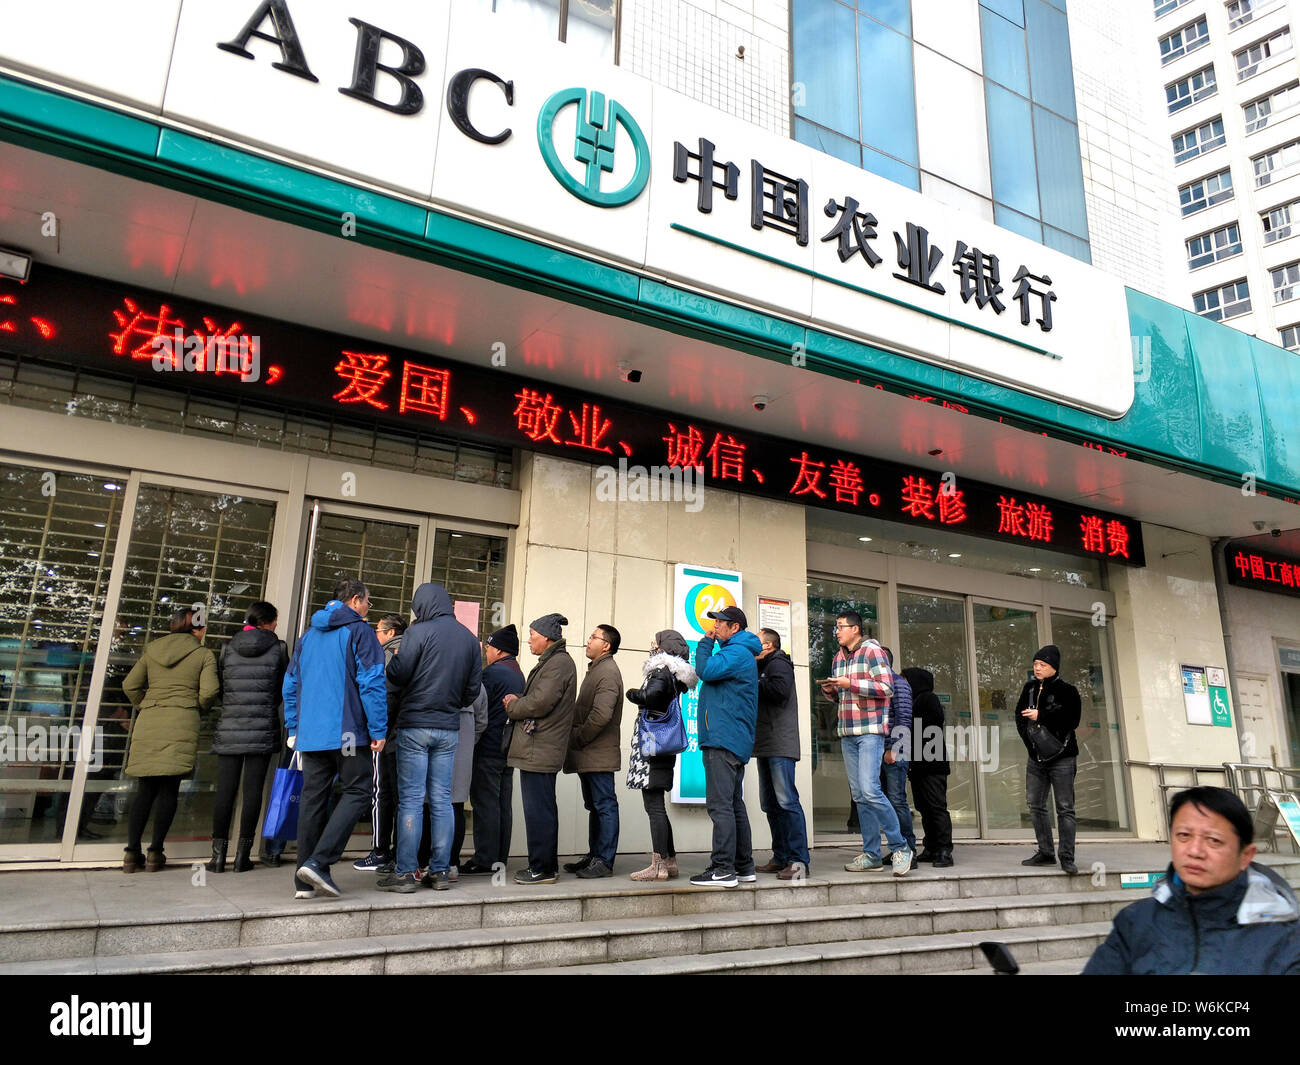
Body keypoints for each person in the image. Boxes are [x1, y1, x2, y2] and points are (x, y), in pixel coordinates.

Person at [1083, 787, 1300, 974]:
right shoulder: (1136, 922)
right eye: (1184, 836)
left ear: (1245, 856)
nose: (1195, 851)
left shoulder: (1286, 936)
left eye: (1213, 840)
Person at [282, 578, 387, 899]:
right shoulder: (360, 632)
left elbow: (291, 683)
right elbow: (371, 682)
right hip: (348, 731)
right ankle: (319, 861)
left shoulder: (309, 636)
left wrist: (294, 727)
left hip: (311, 734)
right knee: (358, 791)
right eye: (368, 602)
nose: (369, 608)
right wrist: (378, 728)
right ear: (355, 600)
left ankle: (304, 882)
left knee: (314, 800)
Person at [379, 582, 482, 893]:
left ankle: (406, 872)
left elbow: (396, 674)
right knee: (442, 801)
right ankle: (439, 871)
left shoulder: (417, 633)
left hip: (414, 726)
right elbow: (472, 691)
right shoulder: (468, 639)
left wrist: (397, 657)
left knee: (410, 801)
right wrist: (450, 705)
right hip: (448, 728)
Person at [121, 607, 219, 873]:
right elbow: (210, 691)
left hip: (150, 720)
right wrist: (192, 705)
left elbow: (130, 685)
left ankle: (131, 853)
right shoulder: (203, 654)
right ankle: (155, 853)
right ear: (197, 629)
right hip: (182, 721)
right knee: (169, 790)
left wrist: (148, 704)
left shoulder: (152, 650)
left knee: (145, 789)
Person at [820, 611, 911, 877]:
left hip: (871, 731)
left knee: (871, 790)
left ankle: (900, 847)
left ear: (856, 629)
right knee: (860, 796)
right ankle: (871, 854)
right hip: (847, 731)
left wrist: (851, 683)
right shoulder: (839, 657)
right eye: (836, 627)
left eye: (841, 627)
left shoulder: (873, 652)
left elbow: (886, 688)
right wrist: (832, 691)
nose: (836, 631)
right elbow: (844, 694)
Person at [208, 601, 287, 873]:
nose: (277, 625)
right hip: (262, 726)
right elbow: (280, 689)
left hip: (230, 725)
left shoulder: (227, 648)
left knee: (225, 792)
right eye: (275, 620)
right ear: (268, 621)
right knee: (253, 792)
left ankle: (217, 857)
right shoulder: (279, 648)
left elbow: (222, 688)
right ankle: (243, 856)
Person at [691, 605, 762, 888]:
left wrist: (705, 643)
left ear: (735, 628)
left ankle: (723, 869)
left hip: (724, 739)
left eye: (721, 622)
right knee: (733, 805)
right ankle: (743, 866)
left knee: (721, 806)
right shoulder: (740, 652)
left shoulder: (736, 653)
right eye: (715, 622)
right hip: (731, 739)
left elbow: (705, 670)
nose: (716, 626)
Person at [503, 614, 577, 884]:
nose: (530, 640)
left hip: (540, 748)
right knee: (540, 809)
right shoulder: (554, 662)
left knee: (539, 811)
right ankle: (544, 866)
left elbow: (540, 703)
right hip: (539, 748)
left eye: (533, 635)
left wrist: (513, 704)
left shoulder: (558, 664)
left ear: (546, 638)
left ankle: (542, 868)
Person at [625, 630, 696, 881]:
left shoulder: (660, 670)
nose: (652, 645)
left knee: (653, 806)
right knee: (658, 807)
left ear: (664, 647)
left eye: (656, 641)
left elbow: (652, 696)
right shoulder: (674, 675)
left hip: (652, 746)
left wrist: (633, 694)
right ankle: (669, 860)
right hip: (662, 746)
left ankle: (658, 865)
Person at [461, 625, 525, 876]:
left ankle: (485, 859)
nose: (486, 650)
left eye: (488, 646)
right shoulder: (517, 673)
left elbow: (476, 706)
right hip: (507, 749)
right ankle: (499, 857)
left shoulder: (493, 674)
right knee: (502, 805)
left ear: (498, 650)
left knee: (485, 803)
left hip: (488, 748)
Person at [563, 624, 624, 879]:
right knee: (595, 806)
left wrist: (577, 737)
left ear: (606, 645)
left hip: (597, 753)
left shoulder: (607, 672)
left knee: (604, 805)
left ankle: (604, 861)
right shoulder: (597, 669)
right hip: (590, 753)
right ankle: (594, 855)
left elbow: (601, 715)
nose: (588, 641)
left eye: (594, 637)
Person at [1015, 644, 1082, 875]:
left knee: (1065, 808)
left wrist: (1041, 715)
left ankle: (1067, 856)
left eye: (1042, 664)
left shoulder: (1068, 690)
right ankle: (1045, 852)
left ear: (1054, 667)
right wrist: (1031, 744)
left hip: (1062, 757)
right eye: (1035, 664)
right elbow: (1019, 717)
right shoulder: (1030, 688)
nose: (1038, 668)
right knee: (1035, 804)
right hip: (1036, 758)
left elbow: (1072, 720)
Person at [754, 628, 810, 879]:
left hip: (780, 743)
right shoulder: (765, 665)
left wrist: (753, 680)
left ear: (768, 646)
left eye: (756, 642)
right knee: (770, 804)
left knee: (787, 801)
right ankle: (781, 856)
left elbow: (779, 692)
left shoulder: (779, 664)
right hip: (766, 743)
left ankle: (798, 860)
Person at [354, 613, 406, 873]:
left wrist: (378, 730)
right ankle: (400, 853)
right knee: (402, 796)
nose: (375, 635)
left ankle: (380, 851)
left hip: (387, 735)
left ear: (391, 633)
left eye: (378, 630)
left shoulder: (386, 655)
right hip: (406, 737)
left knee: (381, 793)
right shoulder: (414, 652)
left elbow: (383, 696)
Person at [902, 666, 952, 867]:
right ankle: (931, 847)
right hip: (919, 764)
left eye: (906, 680)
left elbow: (931, 724)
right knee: (924, 807)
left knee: (936, 807)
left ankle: (944, 850)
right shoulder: (915, 700)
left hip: (932, 764)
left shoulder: (928, 698)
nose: (903, 685)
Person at [446, 682, 488, 877]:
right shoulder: (477, 686)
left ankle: (433, 861)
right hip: (463, 751)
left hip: (441, 751)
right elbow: (481, 722)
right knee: (456, 807)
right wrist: (469, 742)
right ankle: (452, 862)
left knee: (434, 807)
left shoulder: (438, 673)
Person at [879, 647, 915, 869]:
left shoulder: (898, 683)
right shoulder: (879, 684)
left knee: (897, 801)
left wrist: (893, 749)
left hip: (894, 752)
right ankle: (896, 850)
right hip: (877, 750)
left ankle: (909, 851)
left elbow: (903, 717)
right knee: (885, 802)